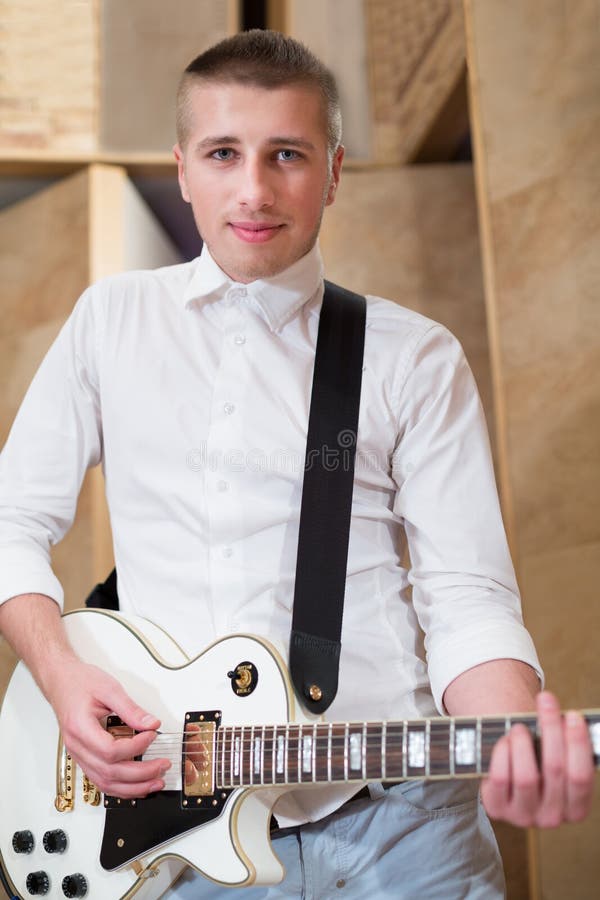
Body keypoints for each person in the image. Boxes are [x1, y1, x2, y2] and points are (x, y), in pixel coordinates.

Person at [0, 29, 594, 899]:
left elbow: (468, 598)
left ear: (334, 170)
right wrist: (59, 676)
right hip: (176, 833)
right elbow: (12, 520)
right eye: (223, 153)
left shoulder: (414, 356)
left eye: (287, 153)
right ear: (182, 167)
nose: (254, 189)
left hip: (404, 826)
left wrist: (510, 739)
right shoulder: (111, 322)